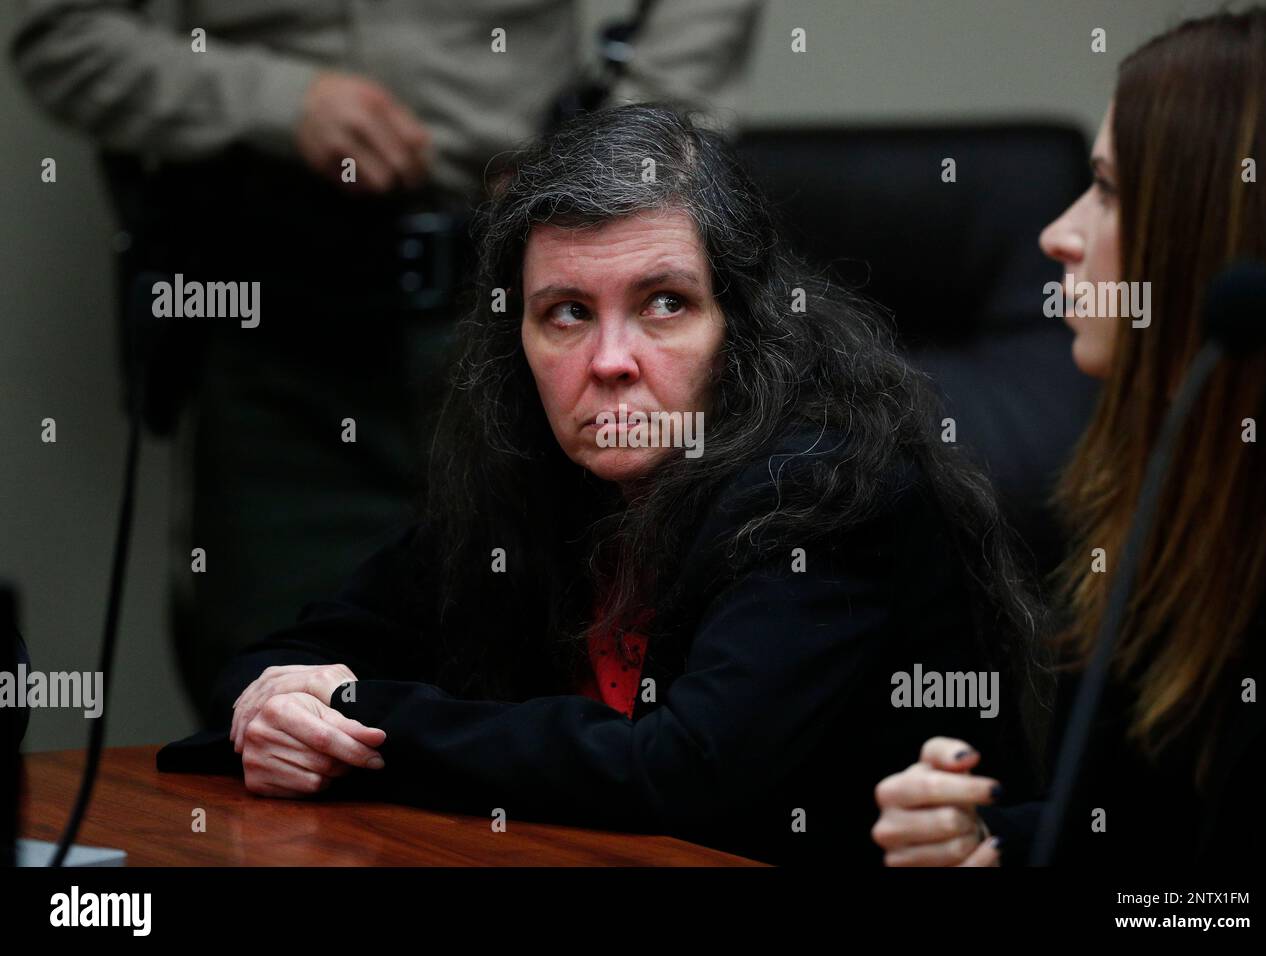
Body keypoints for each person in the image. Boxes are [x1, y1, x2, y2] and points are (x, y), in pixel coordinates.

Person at [159, 104, 1052, 866]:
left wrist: (354, 720)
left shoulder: (824, 488)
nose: (611, 362)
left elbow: (687, 773)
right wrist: (271, 710)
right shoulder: (532, 480)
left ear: (741, 329)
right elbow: (281, 656)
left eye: (664, 303)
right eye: (567, 314)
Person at [10, 0, 762, 718]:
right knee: (265, 685)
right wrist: (274, 99)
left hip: (506, 304)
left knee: (563, 680)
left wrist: (605, 163)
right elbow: (65, 35)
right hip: (281, 327)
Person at [871, 7, 1266, 867]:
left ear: (1214, 233)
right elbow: (1144, 838)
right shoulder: (1163, 488)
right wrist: (984, 842)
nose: (1057, 234)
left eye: (1106, 192)